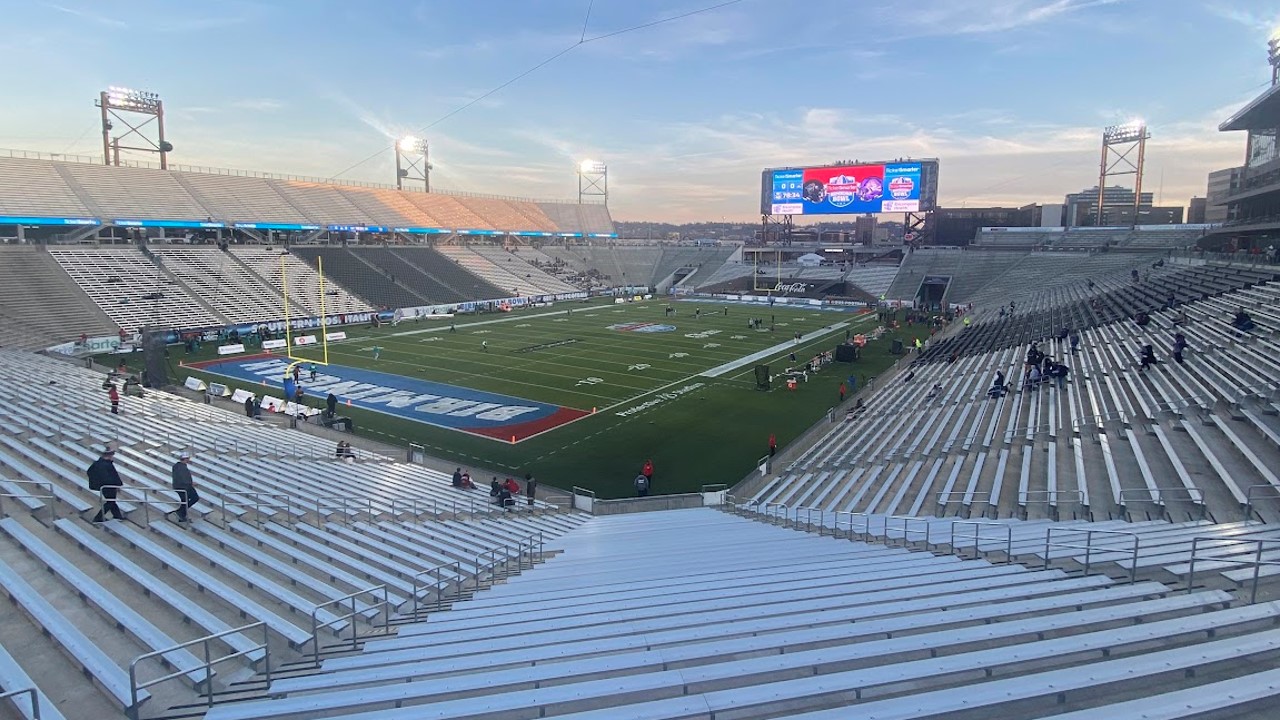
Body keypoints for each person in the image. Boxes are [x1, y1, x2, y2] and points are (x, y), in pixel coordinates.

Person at [88, 449, 124, 523]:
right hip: (108, 487)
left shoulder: (98, 463)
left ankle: (118, 516)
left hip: (106, 486)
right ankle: (98, 518)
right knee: (110, 502)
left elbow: (89, 471)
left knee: (111, 501)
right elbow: (110, 477)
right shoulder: (105, 464)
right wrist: (116, 485)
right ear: (109, 455)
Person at [171, 452, 198, 522]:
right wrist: (191, 483)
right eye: (188, 458)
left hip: (179, 486)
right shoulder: (182, 467)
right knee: (194, 498)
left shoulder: (177, 466)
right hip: (184, 487)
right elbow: (183, 478)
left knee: (185, 500)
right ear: (185, 459)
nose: (189, 460)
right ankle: (180, 512)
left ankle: (182, 515)